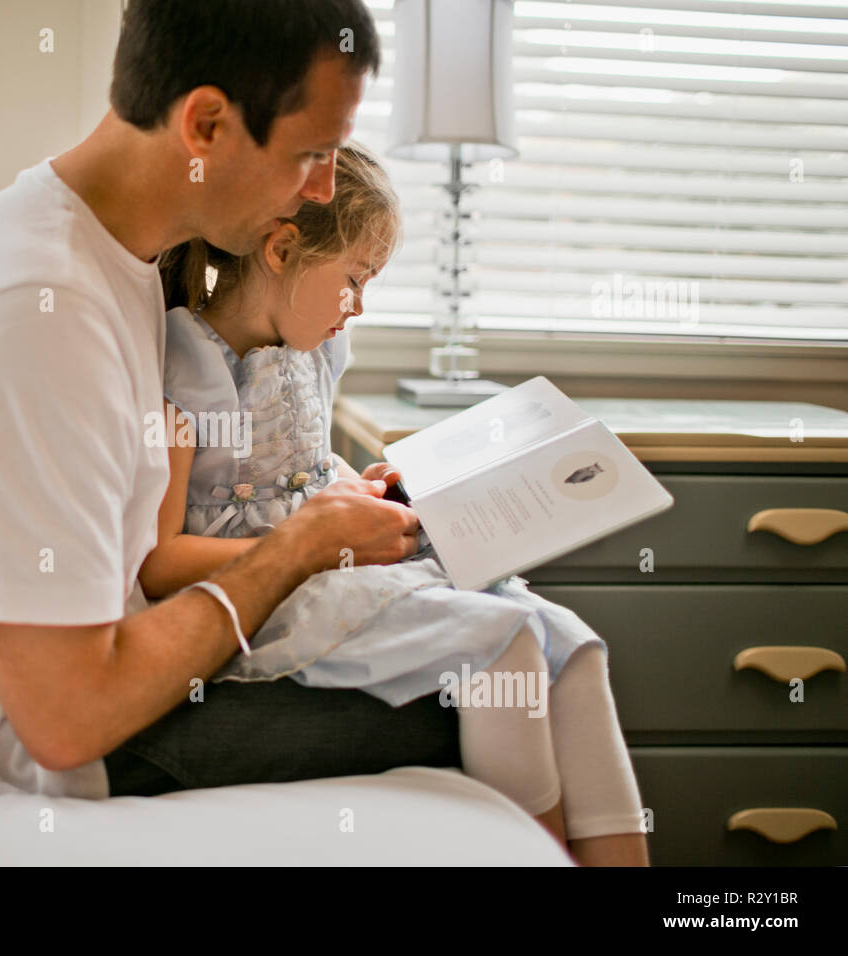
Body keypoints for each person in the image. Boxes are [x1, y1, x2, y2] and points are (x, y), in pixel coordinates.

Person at [0, 0, 645, 866]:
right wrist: (302, 546)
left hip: (118, 675)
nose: (323, 189)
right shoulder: (35, 310)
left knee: (552, 645)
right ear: (207, 125)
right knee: (509, 675)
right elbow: (64, 720)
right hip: (77, 745)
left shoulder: (117, 262)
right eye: (311, 155)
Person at [137, 142, 648, 861]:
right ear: (281, 250)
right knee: (506, 644)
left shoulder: (313, 351)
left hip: (336, 559)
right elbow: (159, 562)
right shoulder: (187, 370)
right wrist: (308, 542)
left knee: (570, 640)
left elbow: (304, 470)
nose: (359, 306)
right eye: (354, 279)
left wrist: (360, 486)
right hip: (272, 590)